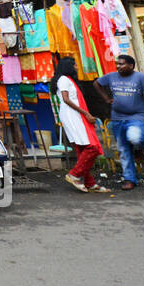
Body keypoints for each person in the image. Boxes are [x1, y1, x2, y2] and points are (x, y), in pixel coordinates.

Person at [95, 54, 144, 191]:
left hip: (138, 117)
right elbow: (97, 84)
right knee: (123, 150)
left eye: (122, 64)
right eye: (117, 64)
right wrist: (106, 99)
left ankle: (138, 149)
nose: (118, 66)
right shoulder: (111, 76)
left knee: (135, 138)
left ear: (131, 65)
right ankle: (130, 179)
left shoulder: (141, 78)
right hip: (117, 118)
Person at [52, 57, 108, 193]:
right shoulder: (64, 79)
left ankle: (89, 182)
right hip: (73, 116)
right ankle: (74, 174)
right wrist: (86, 114)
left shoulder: (69, 80)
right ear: (68, 66)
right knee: (92, 147)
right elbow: (66, 99)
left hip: (75, 115)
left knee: (82, 150)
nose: (77, 67)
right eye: (75, 65)